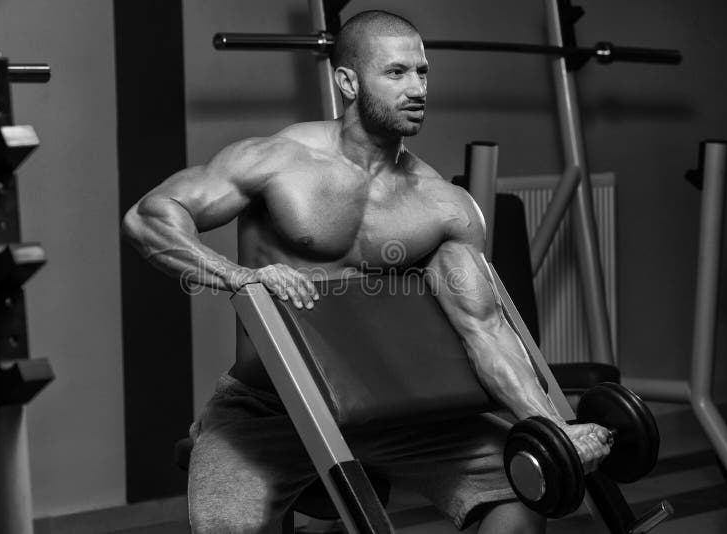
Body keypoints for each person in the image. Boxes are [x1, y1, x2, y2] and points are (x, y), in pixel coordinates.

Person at [122, 10, 611, 533]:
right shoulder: (276, 161)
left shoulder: (442, 205)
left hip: (398, 409)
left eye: (423, 72)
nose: (418, 87)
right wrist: (237, 275)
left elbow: (485, 329)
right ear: (348, 82)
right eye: (396, 73)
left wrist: (552, 429)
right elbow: (150, 217)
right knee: (225, 528)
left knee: (525, 491)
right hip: (270, 413)